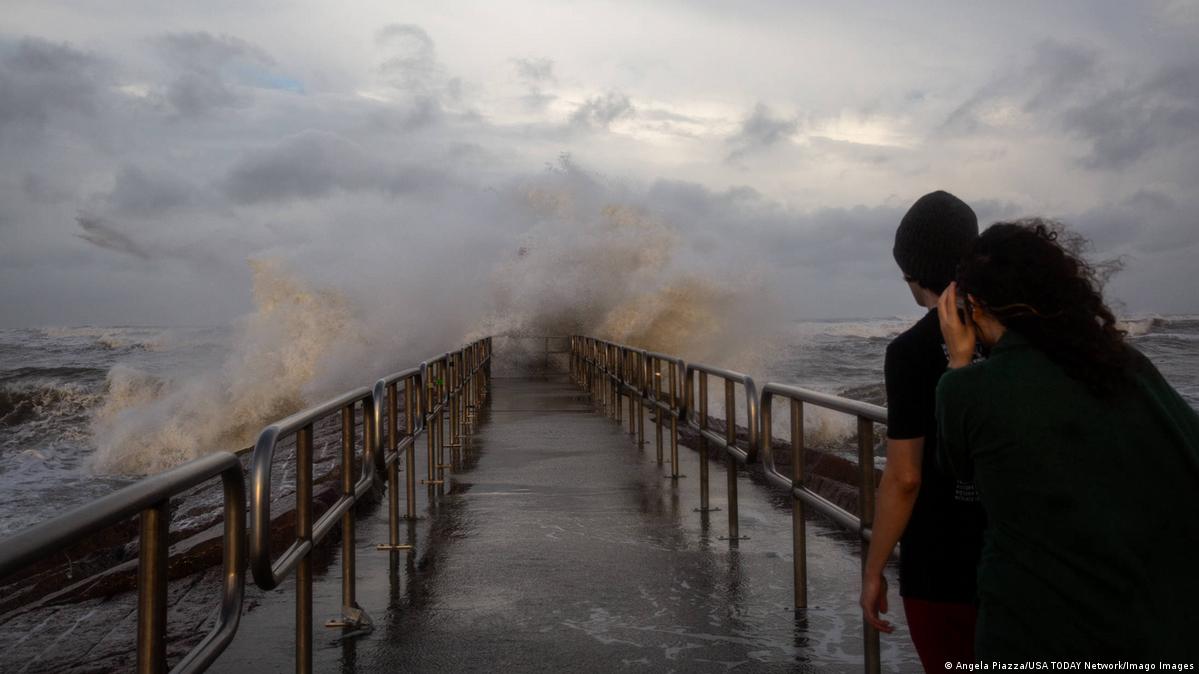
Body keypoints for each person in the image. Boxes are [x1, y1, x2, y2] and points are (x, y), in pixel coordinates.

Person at [936, 220, 1199, 662]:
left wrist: (959, 361)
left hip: (1033, 632)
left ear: (972, 307)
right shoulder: (1128, 367)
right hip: (1156, 630)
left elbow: (955, 467)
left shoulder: (966, 390)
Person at [861, 190, 987, 672]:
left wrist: (874, 568)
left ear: (914, 273)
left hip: (940, 565)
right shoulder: (1016, 336)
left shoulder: (910, 351)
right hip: (1018, 560)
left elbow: (904, 478)